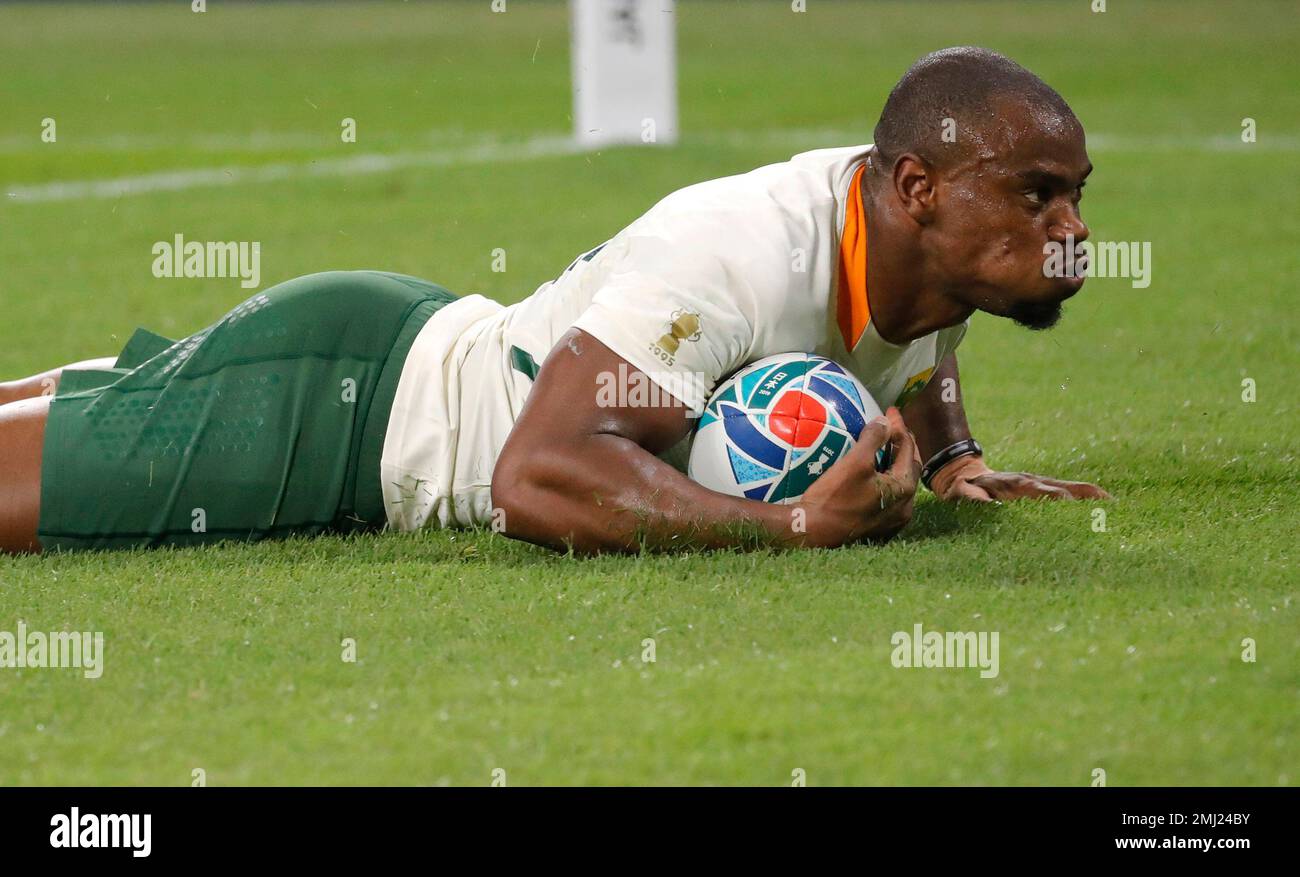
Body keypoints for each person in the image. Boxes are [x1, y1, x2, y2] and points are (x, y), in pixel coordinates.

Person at [0, 47, 1108, 556]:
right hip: (341, 416)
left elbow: (920, 332)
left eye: (1074, 201)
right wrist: (791, 523)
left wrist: (952, 453)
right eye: (1038, 198)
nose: (1072, 237)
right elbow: (534, 478)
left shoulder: (925, 234)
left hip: (401, 340)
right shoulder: (733, 254)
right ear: (917, 189)